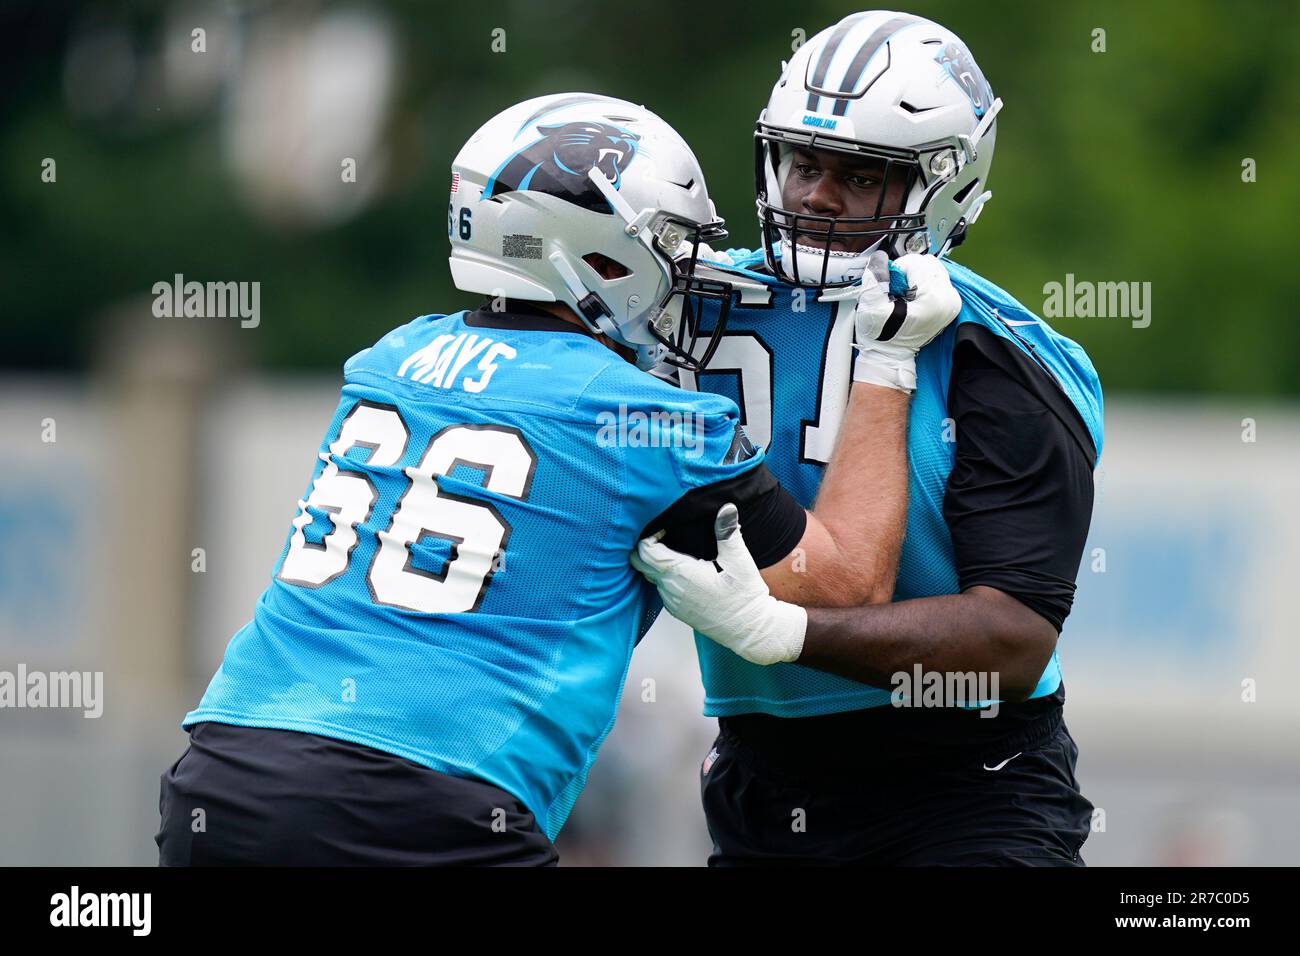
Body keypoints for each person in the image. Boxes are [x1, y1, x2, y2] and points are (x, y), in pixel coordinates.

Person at [155, 92, 961, 866]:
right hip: (422, 800)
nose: (686, 271)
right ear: (599, 252)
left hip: (223, 771)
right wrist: (887, 363)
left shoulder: (391, 360)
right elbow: (849, 581)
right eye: (671, 245)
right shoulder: (644, 421)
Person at [635, 11, 1105, 866]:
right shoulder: (677, 306)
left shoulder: (1002, 354)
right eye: (803, 163)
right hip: (762, 775)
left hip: (969, 781)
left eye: (860, 176)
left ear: (943, 186)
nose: (815, 195)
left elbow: (1012, 636)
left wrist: (791, 634)